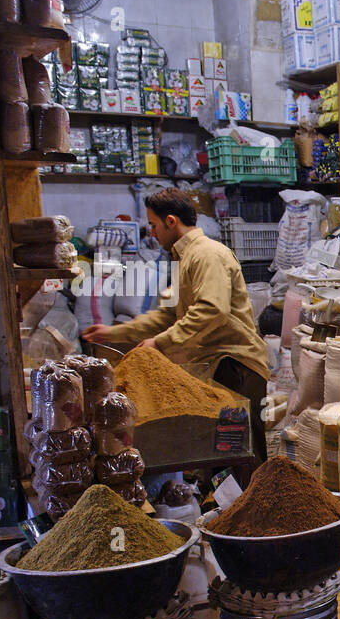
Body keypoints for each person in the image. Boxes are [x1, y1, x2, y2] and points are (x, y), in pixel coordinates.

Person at [82, 188, 270, 469]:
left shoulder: (207, 255)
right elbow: (167, 316)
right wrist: (113, 333)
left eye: (154, 225)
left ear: (171, 221)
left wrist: (160, 343)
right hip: (213, 367)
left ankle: (259, 508)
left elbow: (211, 309)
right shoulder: (182, 260)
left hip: (235, 365)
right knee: (221, 454)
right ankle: (227, 505)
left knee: (242, 455)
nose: (152, 232)